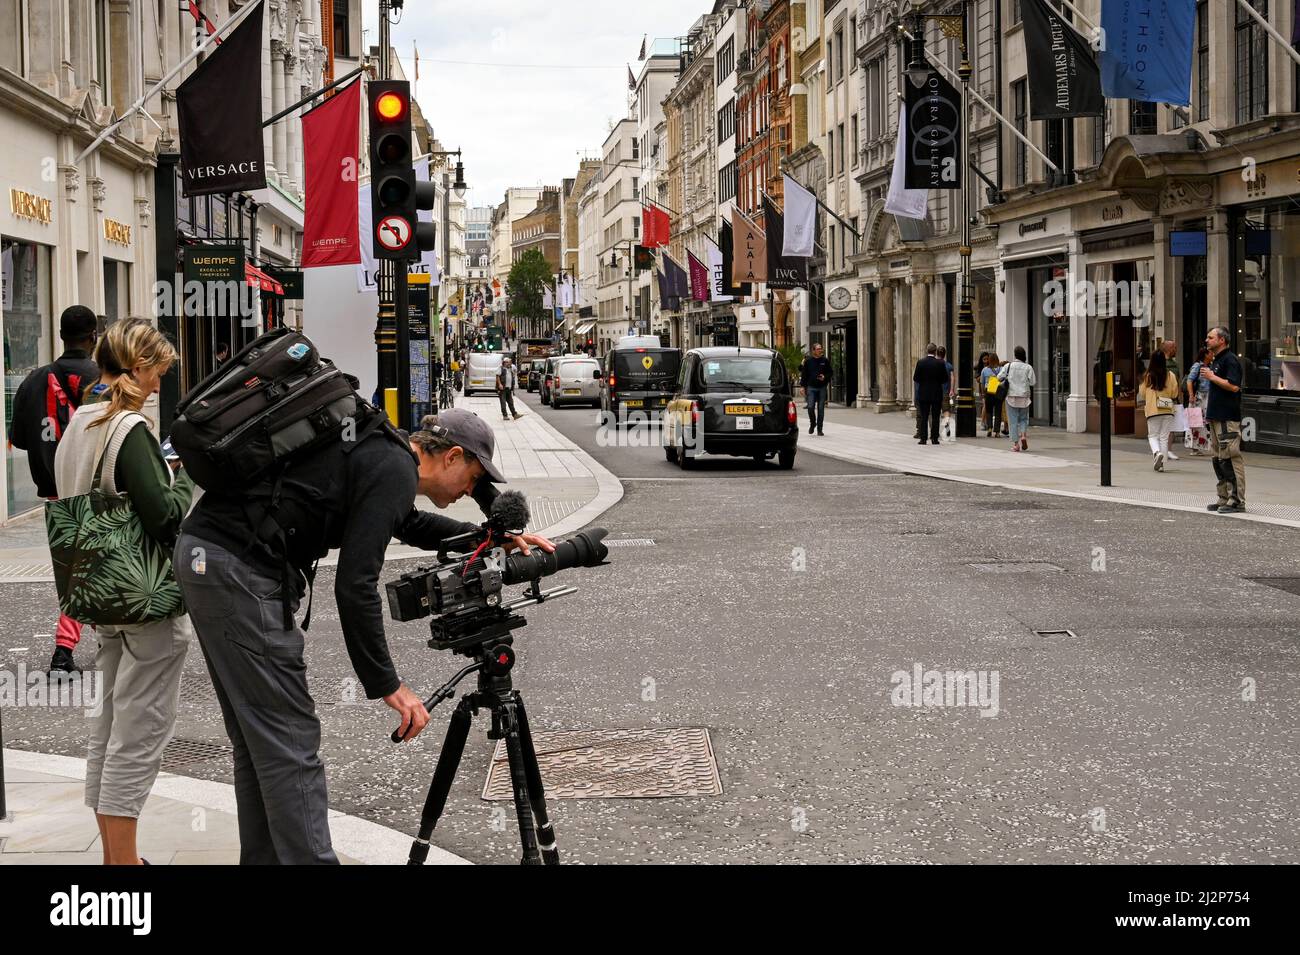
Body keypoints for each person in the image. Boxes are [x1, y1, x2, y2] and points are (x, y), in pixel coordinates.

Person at [174, 406, 553, 864]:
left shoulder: (384, 453)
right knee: (290, 741)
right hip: (236, 571)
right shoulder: (391, 466)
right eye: (472, 479)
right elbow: (354, 585)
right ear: (452, 457)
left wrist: (484, 537)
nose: (470, 491)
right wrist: (388, 684)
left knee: (262, 740)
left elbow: (408, 524)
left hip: (206, 556)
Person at [53, 319, 194, 865]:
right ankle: (122, 866)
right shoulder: (127, 427)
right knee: (140, 733)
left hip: (99, 592)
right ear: (136, 368)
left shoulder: (79, 422)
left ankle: (120, 859)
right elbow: (162, 514)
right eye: (157, 373)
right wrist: (185, 478)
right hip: (144, 601)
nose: (159, 385)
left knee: (109, 725)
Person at [9, 305, 100, 673]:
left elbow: (19, 438)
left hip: (54, 494)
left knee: (73, 568)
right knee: (92, 566)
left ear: (60, 335)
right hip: (97, 492)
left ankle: (70, 644)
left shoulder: (33, 381)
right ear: (93, 337)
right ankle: (77, 643)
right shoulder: (102, 380)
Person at [1199, 326, 1245, 513]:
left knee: (1230, 457)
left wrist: (1211, 376)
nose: (1207, 340)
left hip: (1227, 416)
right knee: (1218, 458)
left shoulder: (1230, 360)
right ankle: (1223, 497)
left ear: (1222, 340)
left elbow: (1234, 386)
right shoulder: (1217, 359)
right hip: (1216, 416)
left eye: (1210, 337)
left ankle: (1236, 500)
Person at [1138, 349, 1180, 472]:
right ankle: (1162, 463)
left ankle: (1157, 453)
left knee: (1152, 435)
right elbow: (1174, 393)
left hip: (1153, 409)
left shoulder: (1148, 376)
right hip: (1167, 408)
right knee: (1164, 436)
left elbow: (1142, 393)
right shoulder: (1170, 375)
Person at [998, 346, 1037, 452]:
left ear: (1015, 355)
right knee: (1024, 419)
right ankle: (1023, 435)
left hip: (1011, 396)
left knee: (1013, 421)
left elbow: (998, 377)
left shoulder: (1008, 366)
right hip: (1024, 396)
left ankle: (1016, 444)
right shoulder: (1028, 367)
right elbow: (1033, 382)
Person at [912, 343, 949, 446]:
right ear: (935, 351)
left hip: (923, 393)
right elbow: (945, 379)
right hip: (936, 393)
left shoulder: (920, 362)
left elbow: (916, 378)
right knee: (936, 416)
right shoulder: (940, 363)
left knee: (924, 416)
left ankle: (923, 439)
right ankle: (934, 439)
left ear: (927, 350)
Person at [800, 343, 833, 436]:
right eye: (818, 349)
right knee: (810, 407)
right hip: (811, 387)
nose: (820, 350)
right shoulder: (808, 361)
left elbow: (830, 373)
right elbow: (804, 375)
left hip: (822, 387)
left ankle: (819, 429)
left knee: (821, 409)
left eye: (821, 349)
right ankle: (813, 423)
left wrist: (824, 377)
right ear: (813, 351)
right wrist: (802, 387)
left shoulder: (825, 361)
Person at [1183, 346, 1211, 455]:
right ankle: (1194, 447)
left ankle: (1200, 446)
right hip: (1199, 397)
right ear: (1205, 355)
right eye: (1210, 353)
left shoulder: (1210, 366)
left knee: (1204, 422)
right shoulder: (1197, 366)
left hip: (1207, 396)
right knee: (1196, 422)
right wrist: (1191, 395)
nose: (1212, 354)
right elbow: (1189, 381)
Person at [1161, 340, 1181, 461]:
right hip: (1164, 398)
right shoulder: (1162, 364)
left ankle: (1167, 450)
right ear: (1169, 349)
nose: (1176, 350)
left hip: (1173, 398)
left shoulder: (1174, 363)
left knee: (1170, 425)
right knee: (1166, 425)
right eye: (1174, 347)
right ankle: (1165, 450)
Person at [981, 352, 1005, 438]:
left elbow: (982, 383)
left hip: (989, 391)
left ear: (989, 360)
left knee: (989, 411)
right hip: (998, 391)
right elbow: (1004, 380)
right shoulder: (1001, 369)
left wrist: (983, 393)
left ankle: (989, 428)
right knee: (998, 412)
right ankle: (997, 432)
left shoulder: (984, 370)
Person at [497, 355, 522, 420]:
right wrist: (500, 384)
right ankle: (505, 415)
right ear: (504, 363)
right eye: (507, 362)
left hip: (509, 388)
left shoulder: (510, 368)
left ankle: (515, 414)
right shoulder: (501, 368)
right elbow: (497, 376)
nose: (509, 363)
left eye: (509, 362)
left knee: (511, 402)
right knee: (503, 402)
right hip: (503, 388)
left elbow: (515, 372)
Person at [975, 352, 990, 432]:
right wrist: (984, 374)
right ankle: (982, 422)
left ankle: (986, 422)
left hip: (990, 389)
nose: (986, 361)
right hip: (983, 390)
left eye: (987, 359)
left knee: (987, 406)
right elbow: (977, 379)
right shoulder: (980, 368)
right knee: (985, 405)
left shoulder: (991, 367)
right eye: (984, 359)